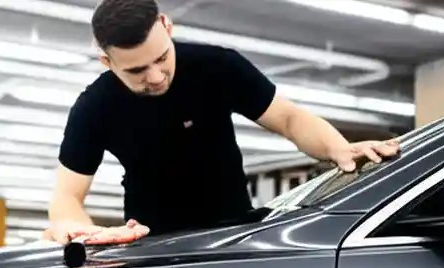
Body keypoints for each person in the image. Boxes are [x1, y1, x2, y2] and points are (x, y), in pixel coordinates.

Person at [46, 0, 401, 245]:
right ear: (107, 62)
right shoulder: (94, 107)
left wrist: (337, 147)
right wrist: (77, 229)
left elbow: (290, 119)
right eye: (137, 70)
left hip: (236, 237)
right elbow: (67, 197)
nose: (155, 76)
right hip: (151, 247)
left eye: (161, 58)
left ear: (166, 26)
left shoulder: (218, 67)